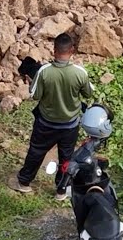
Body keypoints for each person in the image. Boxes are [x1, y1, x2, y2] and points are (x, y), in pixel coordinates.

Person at [9, 32, 95, 200]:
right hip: (70, 125)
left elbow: (35, 95)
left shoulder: (44, 72)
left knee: (36, 151)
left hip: (46, 124)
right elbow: (88, 93)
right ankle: (61, 190)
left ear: (54, 50)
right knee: (66, 156)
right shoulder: (80, 73)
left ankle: (24, 183)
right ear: (72, 51)